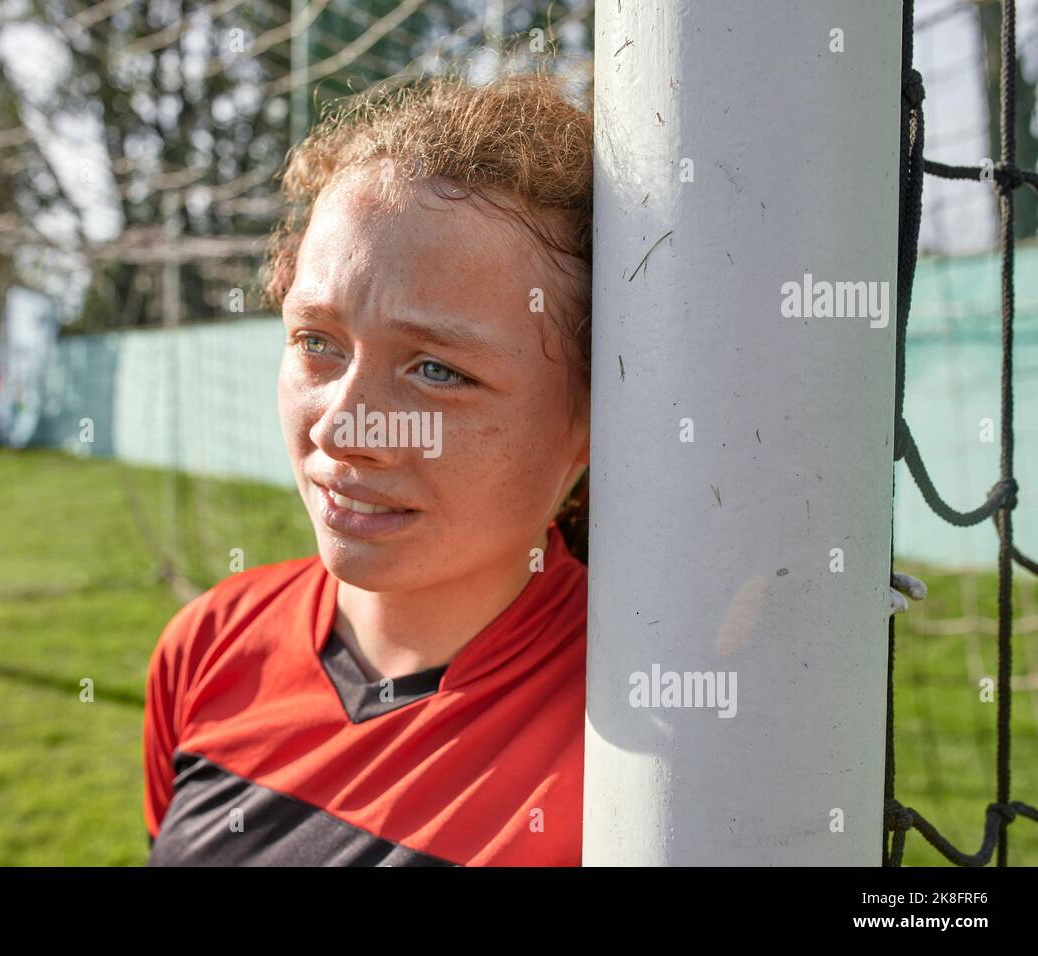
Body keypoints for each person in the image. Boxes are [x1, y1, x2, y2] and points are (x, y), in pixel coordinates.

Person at [142, 66, 924, 867]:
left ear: (595, 420)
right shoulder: (207, 644)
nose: (343, 426)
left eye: (438, 371)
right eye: (317, 342)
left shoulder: (658, 743)